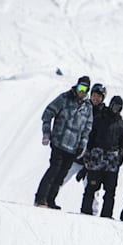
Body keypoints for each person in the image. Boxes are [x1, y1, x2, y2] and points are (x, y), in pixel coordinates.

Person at [34, 75, 93, 209]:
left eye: (85, 89)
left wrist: (82, 145)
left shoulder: (88, 107)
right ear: (76, 86)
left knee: (61, 175)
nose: (82, 91)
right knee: (54, 170)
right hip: (59, 142)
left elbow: (87, 127)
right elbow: (48, 113)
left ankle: (50, 200)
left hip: (73, 147)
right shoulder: (65, 98)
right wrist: (47, 133)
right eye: (80, 87)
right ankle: (40, 198)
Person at [79, 95, 123, 217]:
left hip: (112, 162)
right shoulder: (99, 119)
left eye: (118, 107)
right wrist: (87, 155)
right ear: (110, 104)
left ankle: (106, 215)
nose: (115, 109)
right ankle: (85, 211)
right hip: (97, 157)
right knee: (91, 187)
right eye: (114, 105)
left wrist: (119, 160)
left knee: (110, 191)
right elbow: (90, 138)